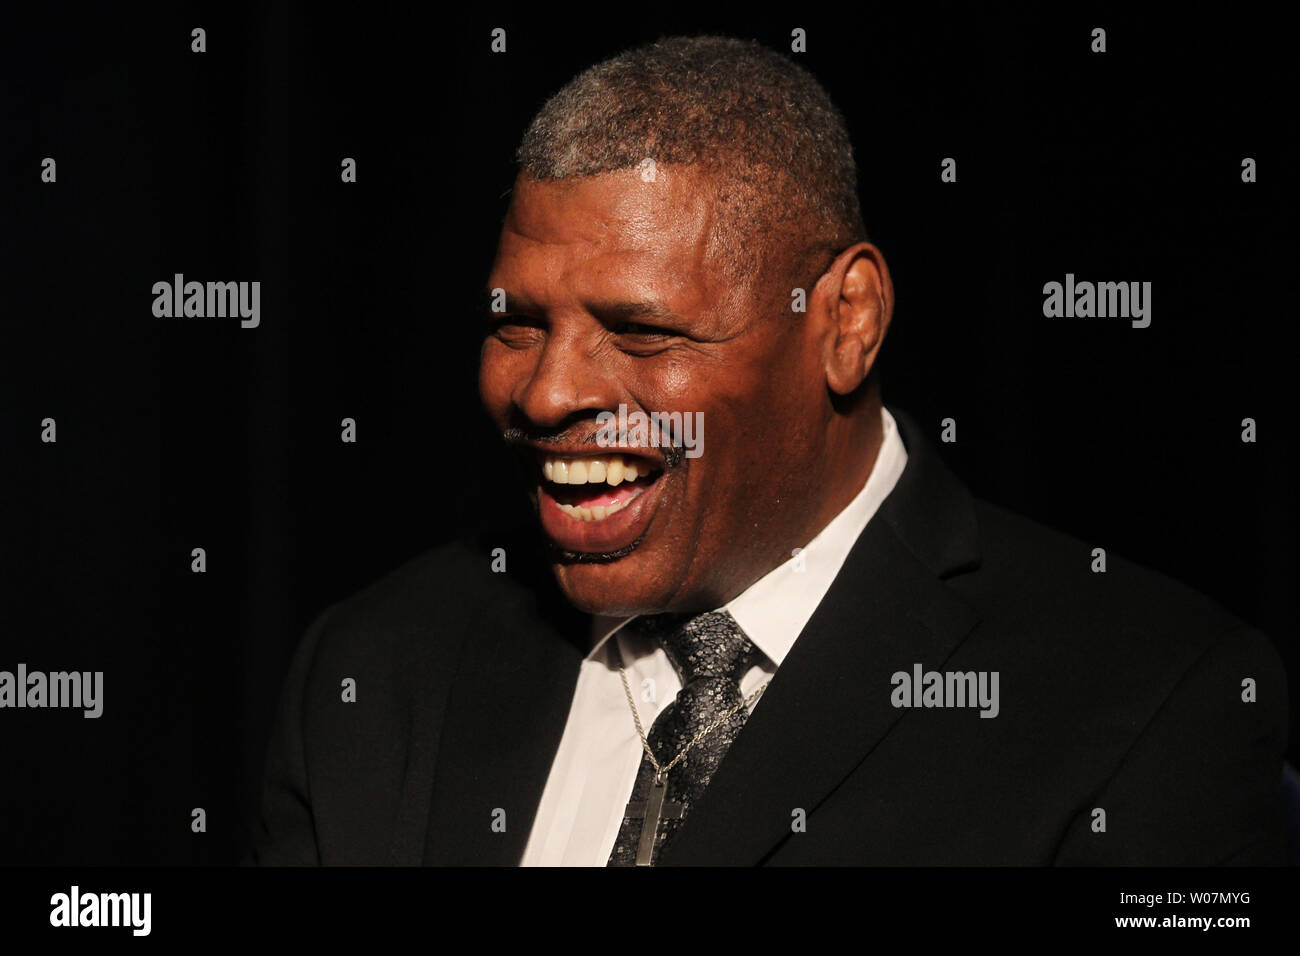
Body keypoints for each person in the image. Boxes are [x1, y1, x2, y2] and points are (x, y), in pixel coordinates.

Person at [250, 35, 1288, 866]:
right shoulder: (374, 671)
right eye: (514, 320)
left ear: (845, 322)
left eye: (641, 330)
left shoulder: (1149, 703)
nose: (548, 389)